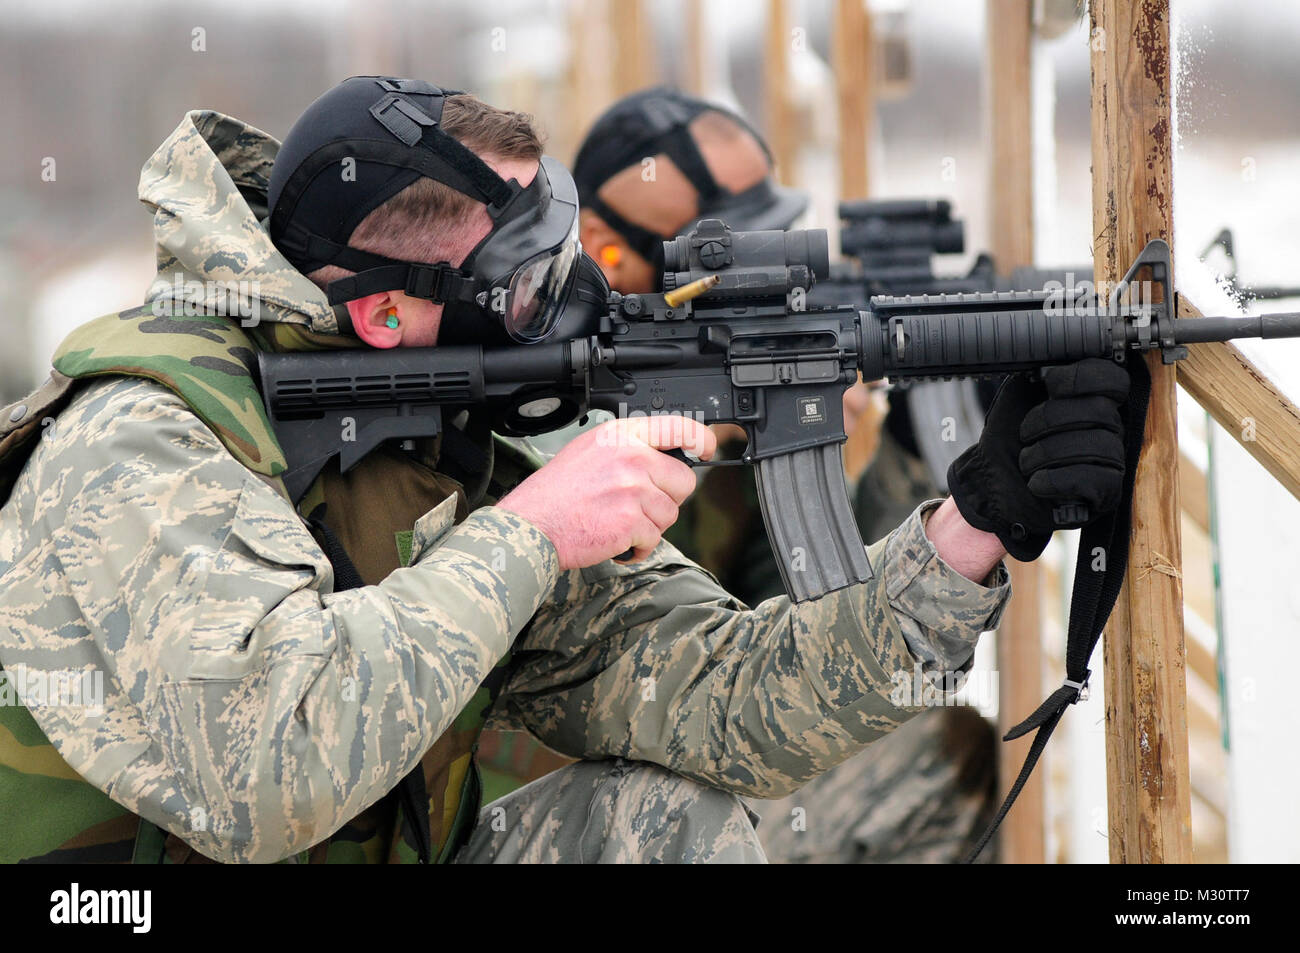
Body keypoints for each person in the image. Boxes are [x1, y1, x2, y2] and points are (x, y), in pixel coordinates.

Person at [0, 77, 1126, 864]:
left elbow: (731, 698)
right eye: (529, 277)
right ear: (388, 312)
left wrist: (974, 520)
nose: (569, 299)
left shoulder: (451, 433)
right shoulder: (142, 443)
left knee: (656, 819)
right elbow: (269, 768)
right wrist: (530, 533)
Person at [557, 87, 1000, 863]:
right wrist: (683, 440)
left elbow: (806, 605)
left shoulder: (716, 373)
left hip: (710, 724)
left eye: (769, 237)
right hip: (592, 786)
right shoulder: (550, 395)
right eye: (719, 250)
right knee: (937, 751)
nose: (751, 275)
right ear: (605, 245)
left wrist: (907, 446)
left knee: (941, 734)